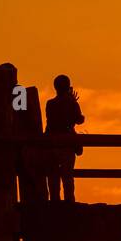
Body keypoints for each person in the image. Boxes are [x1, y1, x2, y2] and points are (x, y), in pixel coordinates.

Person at [44, 74, 85, 202]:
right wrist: (73, 101)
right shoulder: (71, 103)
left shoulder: (50, 104)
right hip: (67, 145)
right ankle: (69, 203)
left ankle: (55, 202)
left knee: (53, 177)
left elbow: (50, 122)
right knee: (68, 177)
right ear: (68, 87)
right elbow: (79, 120)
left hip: (53, 144)